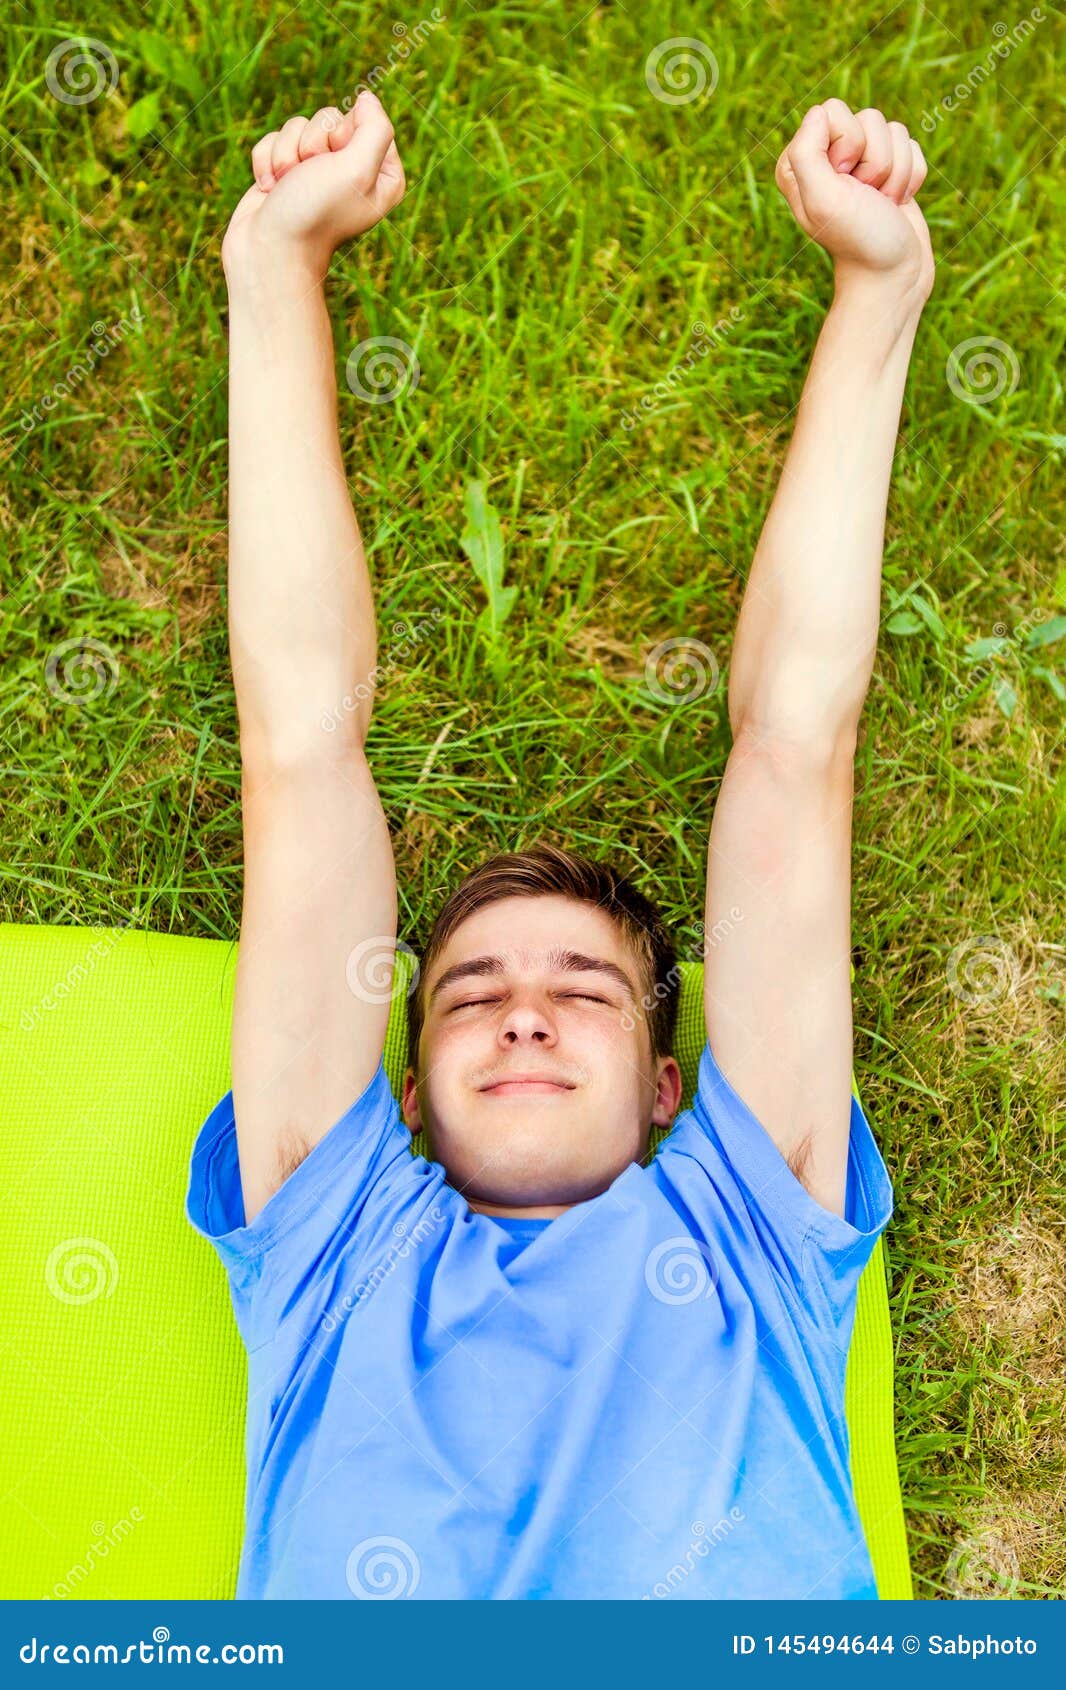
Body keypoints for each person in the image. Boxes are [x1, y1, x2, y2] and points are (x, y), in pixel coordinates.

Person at [186, 87, 932, 1599]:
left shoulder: (747, 1225)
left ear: (672, 1087)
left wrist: (884, 290)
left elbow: (798, 748)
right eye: (464, 994)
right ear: (397, 1091)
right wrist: (269, 267)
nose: (521, 1006)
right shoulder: (331, 1246)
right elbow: (299, 746)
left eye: (585, 990)